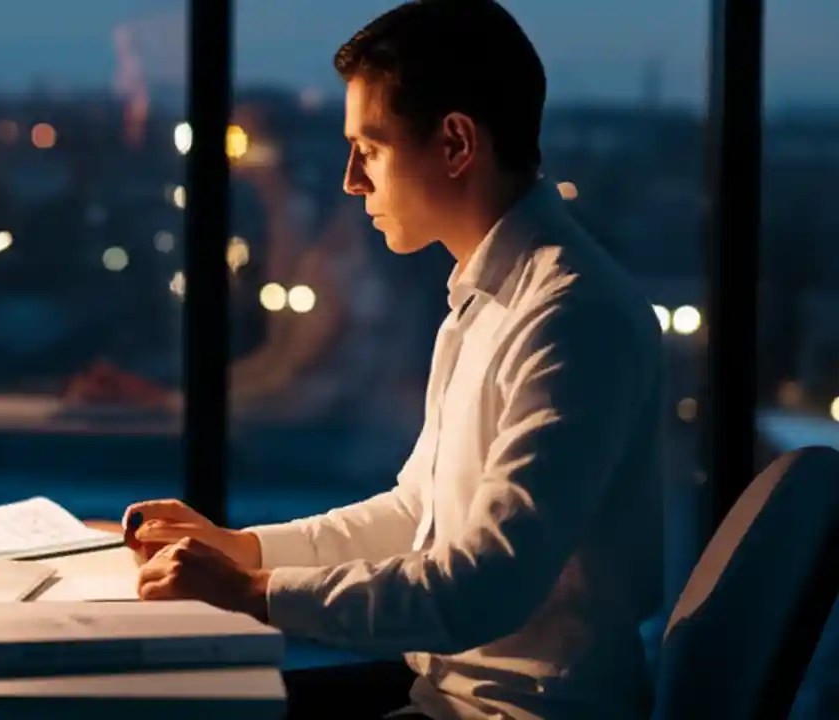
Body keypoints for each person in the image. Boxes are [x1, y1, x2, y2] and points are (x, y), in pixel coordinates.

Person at [121, 1, 665, 719]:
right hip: (447, 696)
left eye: (369, 149)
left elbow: (483, 587)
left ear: (455, 144)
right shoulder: (490, 298)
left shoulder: (571, 318)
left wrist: (251, 594)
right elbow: (418, 516)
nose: (352, 179)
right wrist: (243, 550)